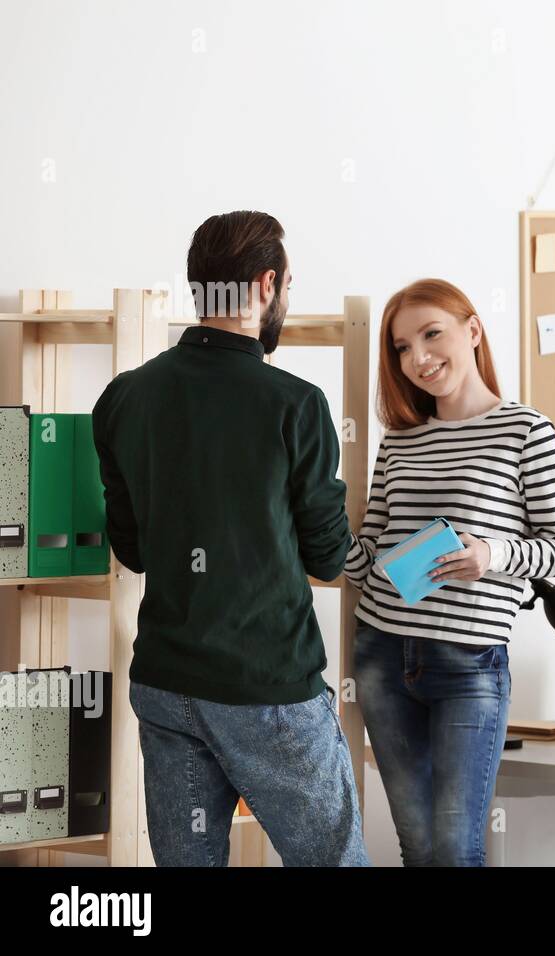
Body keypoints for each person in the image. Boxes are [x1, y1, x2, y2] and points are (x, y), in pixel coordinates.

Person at [92, 210, 367, 866]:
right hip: (264, 686)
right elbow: (329, 554)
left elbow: (131, 548)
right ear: (268, 285)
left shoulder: (125, 398)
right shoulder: (294, 403)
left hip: (164, 685)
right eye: (289, 284)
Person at [344, 279, 555, 866]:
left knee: (455, 849)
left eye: (432, 335)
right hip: (380, 653)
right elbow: (367, 555)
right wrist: (315, 526)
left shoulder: (526, 430)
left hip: (469, 664)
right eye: (402, 347)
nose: (418, 358)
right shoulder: (398, 442)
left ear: (472, 330)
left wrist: (492, 555)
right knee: (418, 847)